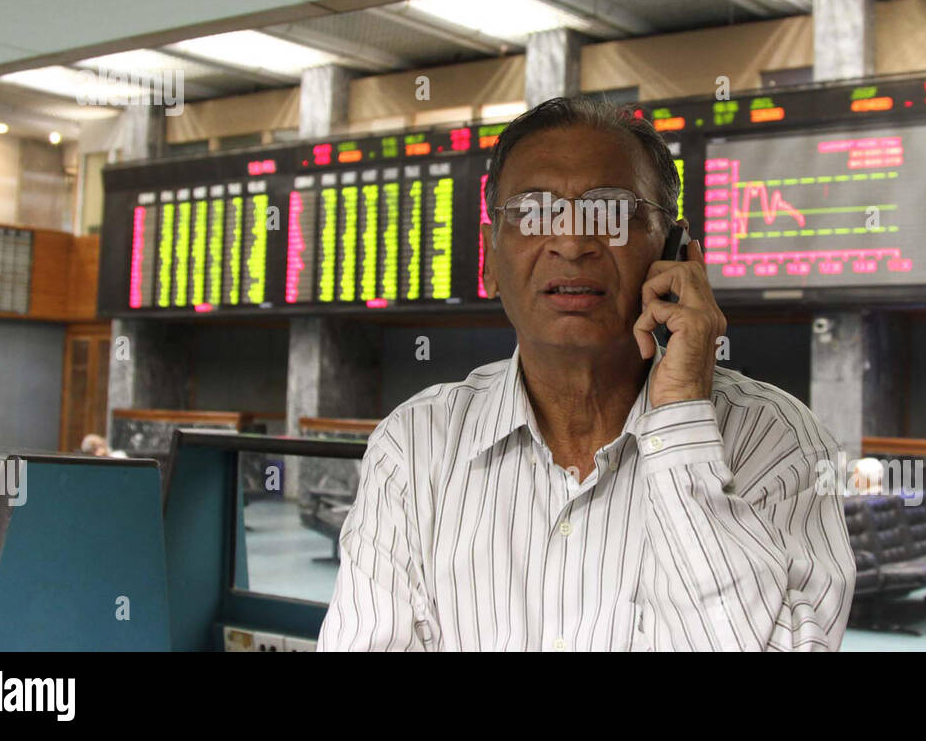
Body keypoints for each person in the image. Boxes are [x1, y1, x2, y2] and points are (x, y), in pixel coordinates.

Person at [319, 96, 856, 652]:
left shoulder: (776, 442)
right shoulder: (415, 445)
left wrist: (680, 426)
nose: (573, 244)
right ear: (488, 260)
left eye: (612, 212)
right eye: (532, 212)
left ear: (677, 252)